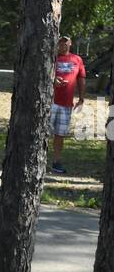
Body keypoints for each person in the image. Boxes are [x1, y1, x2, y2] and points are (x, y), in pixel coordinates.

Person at [49, 34, 85, 174]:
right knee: (43, 132)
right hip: (50, 101)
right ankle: (37, 159)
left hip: (66, 104)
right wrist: (53, 80)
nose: (62, 45)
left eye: (65, 42)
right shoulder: (51, 57)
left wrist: (81, 98)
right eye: (60, 43)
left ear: (70, 43)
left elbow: (81, 79)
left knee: (60, 134)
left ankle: (56, 162)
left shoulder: (77, 59)